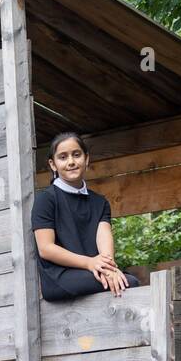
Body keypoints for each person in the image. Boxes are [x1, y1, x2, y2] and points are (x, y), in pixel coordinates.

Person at [31, 129, 141, 302]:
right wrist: (90, 263)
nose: (71, 162)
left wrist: (108, 267)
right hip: (60, 276)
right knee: (128, 282)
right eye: (63, 157)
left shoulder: (100, 202)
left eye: (76, 155)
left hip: (92, 271)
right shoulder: (46, 199)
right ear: (53, 165)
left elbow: (104, 240)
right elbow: (46, 249)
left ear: (86, 158)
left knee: (126, 282)